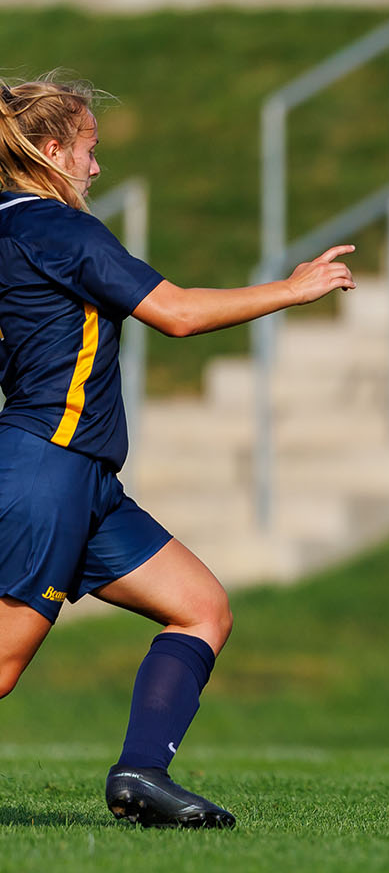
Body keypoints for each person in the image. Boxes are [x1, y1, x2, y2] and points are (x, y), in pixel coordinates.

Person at [0, 74, 354, 827]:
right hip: (50, 467)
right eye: (89, 150)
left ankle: (141, 774)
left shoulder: (7, 226)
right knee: (4, 662)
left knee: (200, 608)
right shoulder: (62, 230)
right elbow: (180, 314)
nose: (96, 169)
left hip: (79, 474)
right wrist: (292, 290)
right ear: (53, 148)